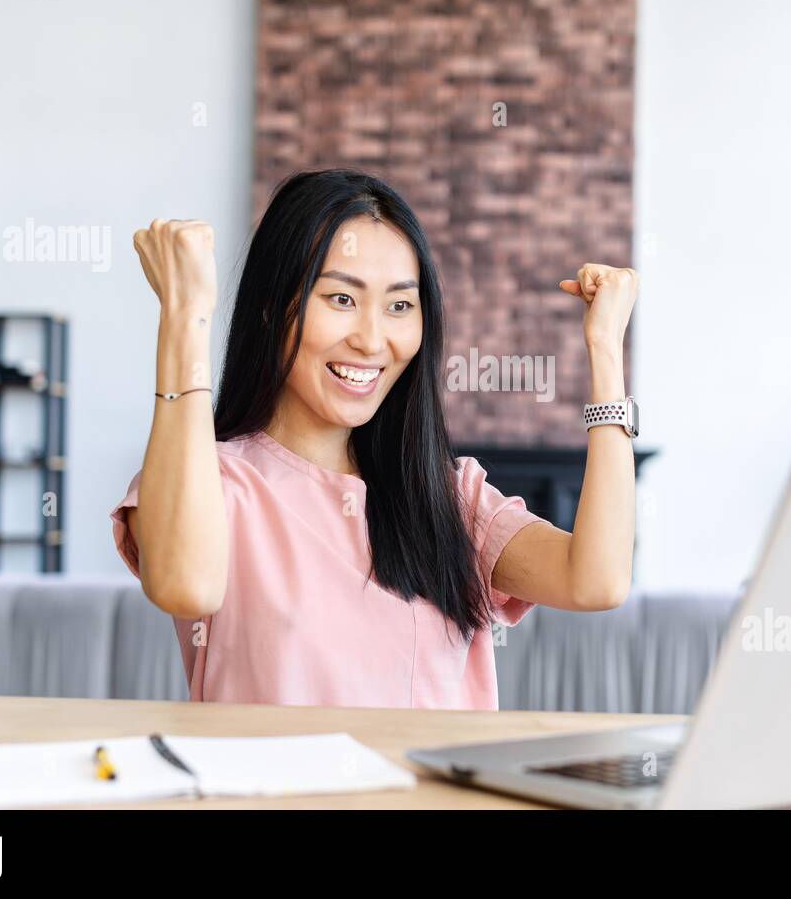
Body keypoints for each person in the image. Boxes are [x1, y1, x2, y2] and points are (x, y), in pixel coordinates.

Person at [110, 168, 640, 709]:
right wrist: (183, 314)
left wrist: (605, 350)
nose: (371, 339)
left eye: (399, 306)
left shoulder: (450, 499)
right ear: (273, 305)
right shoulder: (209, 481)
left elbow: (596, 581)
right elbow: (185, 586)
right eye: (341, 299)